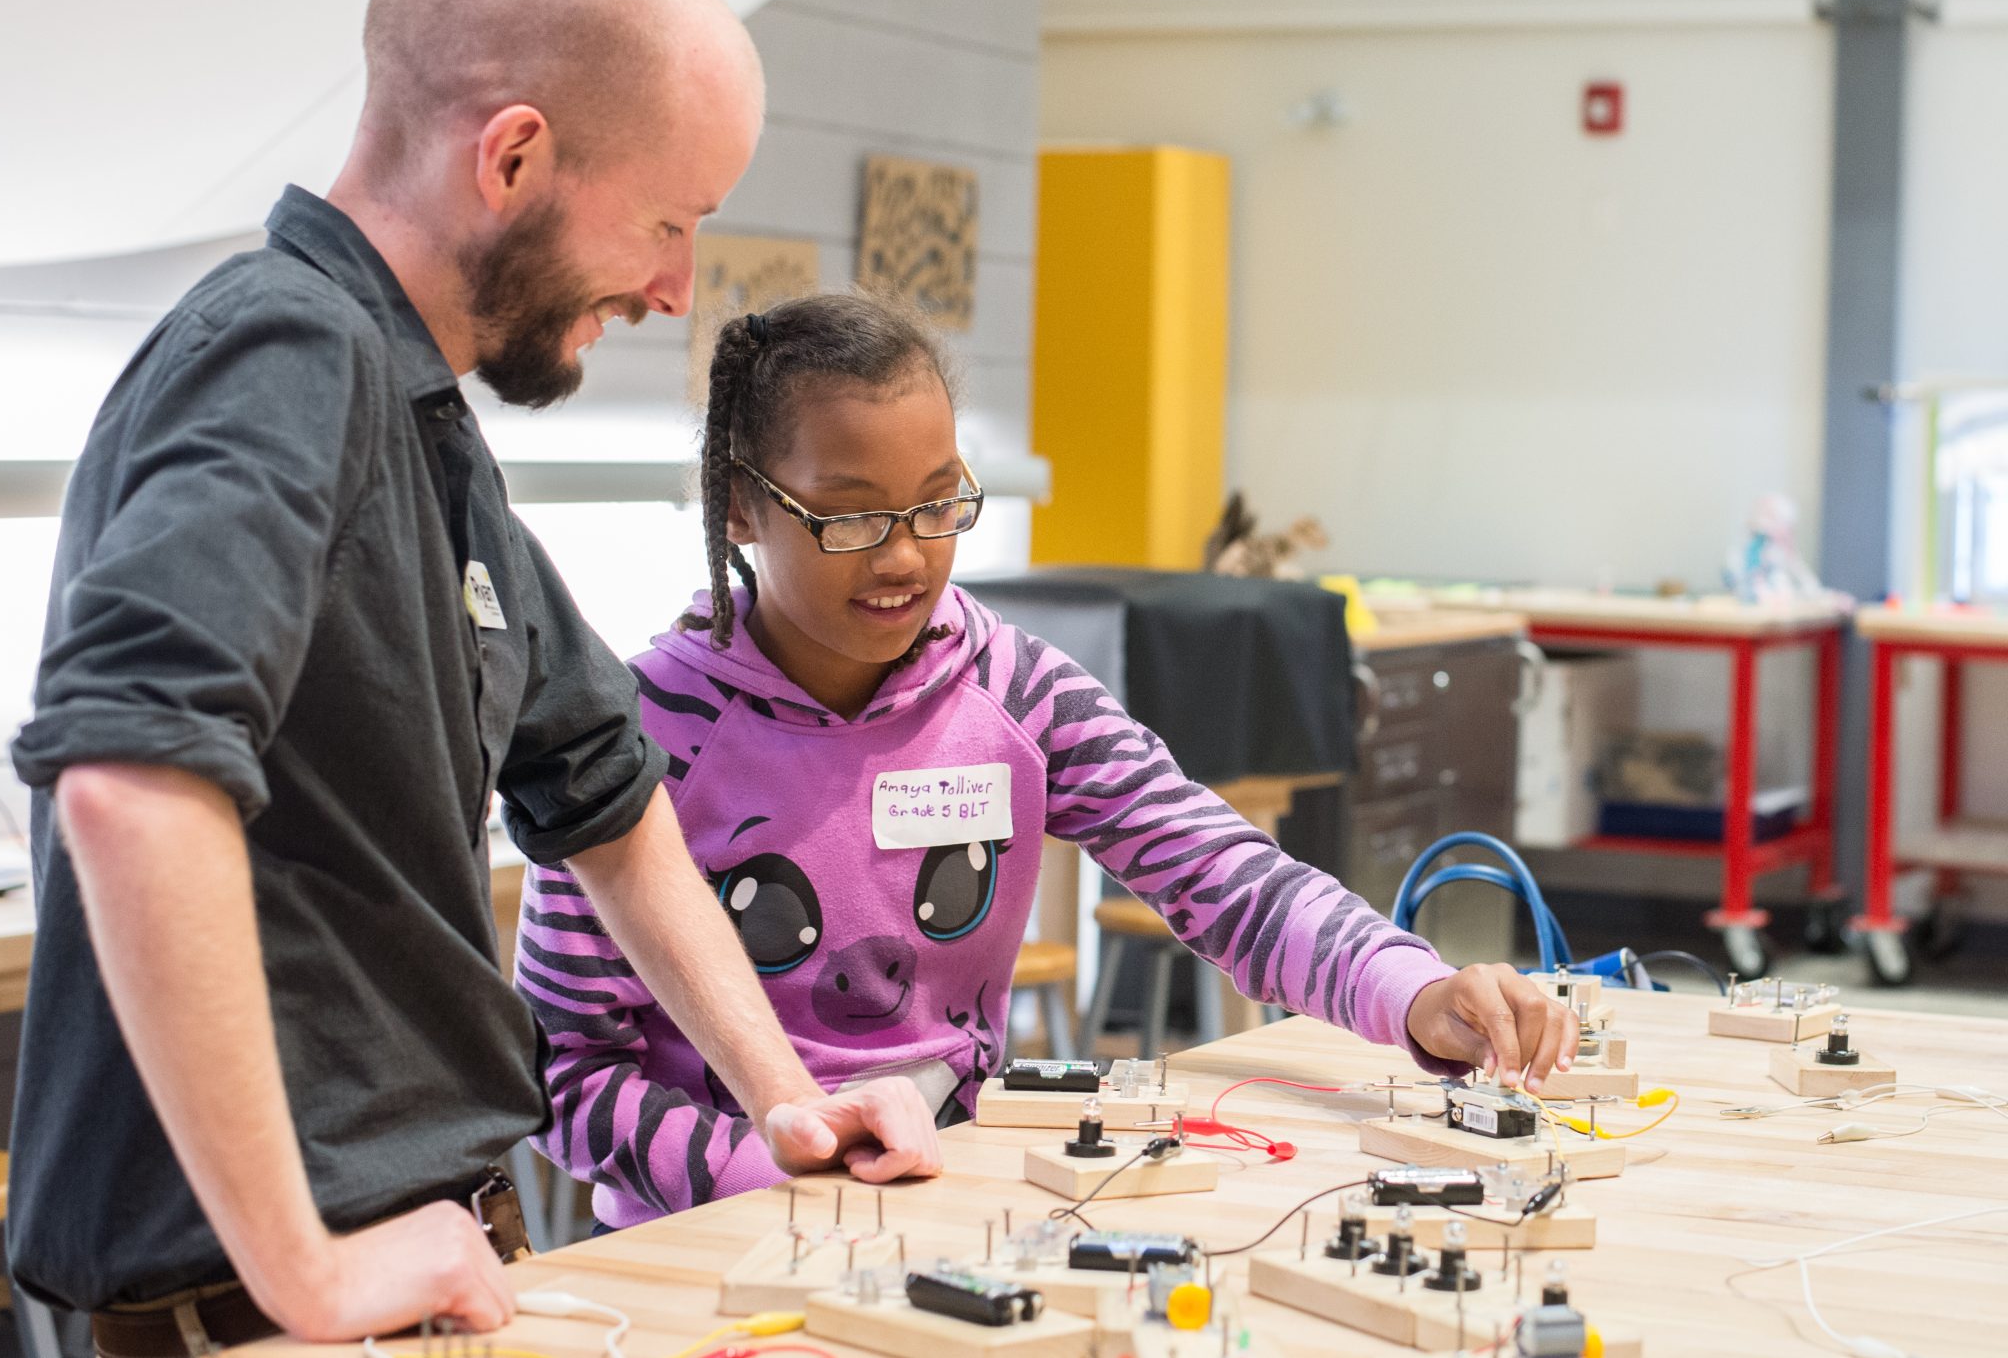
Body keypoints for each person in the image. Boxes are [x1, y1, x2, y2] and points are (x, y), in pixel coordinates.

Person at [5, 0, 938, 1351]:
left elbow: (608, 796)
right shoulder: (286, 355)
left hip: (436, 1268)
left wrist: (782, 1096)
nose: (675, 287)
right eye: (666, 222)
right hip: (275, 1312)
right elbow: (130, 782)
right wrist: (305, 1274)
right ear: (511, 158)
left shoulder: (425, 422)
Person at [518, 291, 1580, 1231]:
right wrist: (761, 1166)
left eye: (938, 502)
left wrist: (1414, 991)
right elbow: (564, 1068)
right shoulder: (633, 732)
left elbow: (1222, 872)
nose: (904, 555)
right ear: (741, 506)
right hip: (713, 1230)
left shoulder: (1014, 690)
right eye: (851, 517)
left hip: (950, 1202)